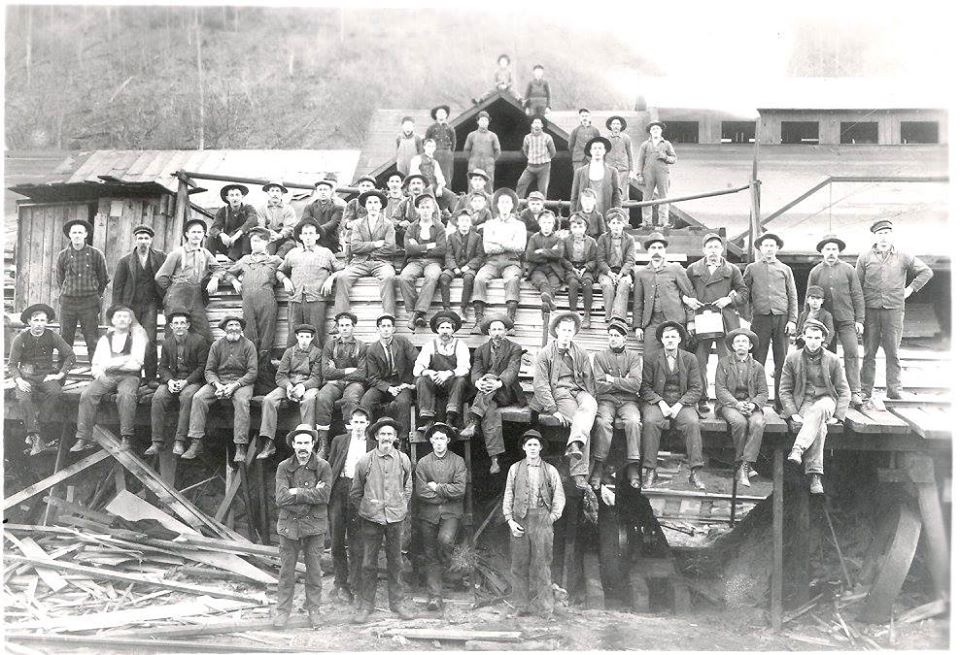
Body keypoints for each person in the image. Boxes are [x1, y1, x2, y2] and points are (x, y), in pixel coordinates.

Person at [855, 220, 933, 406]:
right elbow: (856, 285)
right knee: (869, 353)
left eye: (887, 234)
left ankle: (895, 391)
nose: (883, 237)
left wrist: (910, 289)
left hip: (894, 311)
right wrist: (858, 313)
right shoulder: (865, 257)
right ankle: (865, 390)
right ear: (875, 236)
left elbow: (926, 272)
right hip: (871, 311)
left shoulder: (903, 256)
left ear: (892, 236)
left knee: (893, 352)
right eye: (880, 234)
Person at [350, 417, 415, 623]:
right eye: (383, 434)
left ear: (395, 437)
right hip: (371, 519)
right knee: (368, 563)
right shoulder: (365, 461)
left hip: (395, 519)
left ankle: (397, 603)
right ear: (376, 436)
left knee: (396, 562)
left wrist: (400, 506)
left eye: (390, 434)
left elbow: (408, 487)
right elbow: (355, 492)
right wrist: (368, 508)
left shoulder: (403, 459)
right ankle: (366, 604)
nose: (386, 438)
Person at [780, 319, 851, 494]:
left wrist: (839, 416)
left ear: (823, 339)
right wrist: (792, 413)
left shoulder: (833, 359)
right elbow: (784, 390)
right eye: (810, 337)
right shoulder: (793, 358)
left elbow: (844, 390)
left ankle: (797, 449)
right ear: (803, 337)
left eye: (817, 338)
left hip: (826, 400)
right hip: (804, 402)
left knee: (819, 410)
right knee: (819, 427)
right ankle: (815, 476)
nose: (813, 341)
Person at [273, 424, 332, 630]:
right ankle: (282, 612)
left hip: (315, 527)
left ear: (313, 443)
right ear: (293, 445)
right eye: (299, 443)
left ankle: (314, 611)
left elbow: (324, 496)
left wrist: (295, 492)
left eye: (307, 442)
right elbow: (280, 498)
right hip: (289, 527)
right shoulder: (283, 467)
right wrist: (310, 495)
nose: (303, 447)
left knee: (314, 572)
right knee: (286, 572)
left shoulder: (323, 466)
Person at [502, 429, 564, 619]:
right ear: (523, 447)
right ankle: (522, 606)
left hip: (542, 521)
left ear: (541, 448)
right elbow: (509, 495)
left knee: (542, 565)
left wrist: (552, 517)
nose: (533, 448)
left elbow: (559, 496)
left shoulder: (550, 470)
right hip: (520, 519)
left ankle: (545, 609)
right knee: (519, 565)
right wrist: (510, 521)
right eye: (529, 445)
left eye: (536, 445)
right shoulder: (514, 469)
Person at [531, 312, 597, 490]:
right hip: (560, 392)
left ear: (574, 333)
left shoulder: (580, 352)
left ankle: (574, 444)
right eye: (564, 330)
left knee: (589, 405)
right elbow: (540, 384)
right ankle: (579, 474)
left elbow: (589, 380)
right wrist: (553, 409)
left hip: (579, 390)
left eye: (570, 330)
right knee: (581, 422)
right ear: (557, 331)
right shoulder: (546, 354)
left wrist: (592, 400)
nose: (567, 334)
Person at [685, 233, 747, 417]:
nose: (713, 251)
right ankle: (702, 398)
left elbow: (743, 293)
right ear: (704, 250)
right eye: (709, 247)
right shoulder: (693, 269)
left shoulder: (732, 270)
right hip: (702, 319)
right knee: (699, 361)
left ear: (722, 250)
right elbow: (685, 292)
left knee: (725, 361)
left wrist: (729, 299)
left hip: (724, 321)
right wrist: (690, 307)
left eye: (717, 247)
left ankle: (723, 401)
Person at [72, 305, 147, 452]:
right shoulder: (105, 340)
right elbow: (97, 364)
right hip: (107, 376)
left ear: (130, 320)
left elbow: (136, 364)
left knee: (126, 396)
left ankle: (126, 436)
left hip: (129, 377)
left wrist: (110, 363)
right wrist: (100, 373)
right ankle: (83, 437)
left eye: (126, 316)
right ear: (112, 320)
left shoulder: (136, 338)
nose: (122, 319)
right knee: (87, 395)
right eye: (118, 316)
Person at [639, 322, 705, 490]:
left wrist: (679, 405)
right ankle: (650, 470)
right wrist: (660, 402)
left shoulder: (690, 359)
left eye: (673, 337)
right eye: (667, 337)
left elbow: (697, 388)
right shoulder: (651, 358)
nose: (670, 340)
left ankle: (695, 472)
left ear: (679, 339)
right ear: (661, 339)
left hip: (681, 402)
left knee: (692, 423)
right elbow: (645, 388)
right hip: (657, 401)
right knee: (651, 422)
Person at [184, 316, 258, 461]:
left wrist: (235, 385)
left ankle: (240, 446)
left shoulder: (248, 345)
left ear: (241, 329)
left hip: (241, 383)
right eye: (230, 325)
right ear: (224, 329)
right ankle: (196, 442)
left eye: (237, 325)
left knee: (242, 401)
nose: (234, 328)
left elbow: (252, 372)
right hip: (220, 381)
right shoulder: (216, 345)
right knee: (198, 398)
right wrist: (217, 385)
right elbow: (209, 370)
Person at [461, 314, 525, 474]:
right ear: (489, 332)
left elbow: (512, 370)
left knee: (490, 377)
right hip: (487, 396)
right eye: (494, 329)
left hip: (505, 392)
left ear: (505, 331)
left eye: (500, 329)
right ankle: (494, 460)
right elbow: (476, 372)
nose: (497, 333)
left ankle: (473, 420)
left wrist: (498, 382)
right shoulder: (480, 350)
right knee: (490, 412)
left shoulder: (514, 348)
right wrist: (477, 382)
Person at [8, 303, 76, 455]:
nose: (39, 324)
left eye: (42, 321)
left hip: (46, 375)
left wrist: (59, 374)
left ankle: (38, 427)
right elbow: (12, 365)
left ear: (47, 322)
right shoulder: (21, 338)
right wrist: (19, 380)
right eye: (36, 320)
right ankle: (35, 436)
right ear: (29, 321)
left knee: (56, 392)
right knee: (24, 398)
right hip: (26, 377)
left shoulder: (52, 336)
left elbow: (70, 356)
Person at [807, 234, 865, 409]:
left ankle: (855, 391)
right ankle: (828, 390)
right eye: (827, 250)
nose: (831, 253)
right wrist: (808, 321)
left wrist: (860, 319)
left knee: (852, 352)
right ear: (822, 252)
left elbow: (857, 295)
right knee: (827, 356)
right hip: (825, 322)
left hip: (846, 319)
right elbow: (809, 297)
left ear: (838, 251)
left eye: (834, 249)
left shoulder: (848, 270)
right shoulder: (816, 271)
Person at [414, 422, 467, 611]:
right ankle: (435, 597)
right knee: (430, 554)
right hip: (428, 514)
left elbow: (460, 489)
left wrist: (437, 487)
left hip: (451, 513)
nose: (438, 442)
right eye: (435, 439)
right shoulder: (423, 462)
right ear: (430, 440)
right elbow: (421, 491)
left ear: (448, 440)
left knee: (444, 541)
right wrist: (444, 496)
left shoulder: (458, 461)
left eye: (442, 439)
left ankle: (452, 575)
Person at [743, 232, 797, 408]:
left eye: (772, 245)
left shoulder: (785, 269)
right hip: (760, 319)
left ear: (777, 248)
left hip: (782, 320)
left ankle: (781, 403)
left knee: (781, 361)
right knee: (758, 360)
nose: (769, 248)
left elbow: (793, 296)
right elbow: (744, 293)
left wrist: (793, 320)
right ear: (760, 248)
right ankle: (756, 401)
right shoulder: (752, 268)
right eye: (765, 245)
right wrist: (745, 316)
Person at [155, 217, 230, 343]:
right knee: (174, 333)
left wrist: (215, 279)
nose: (196, 235)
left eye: (200, 232)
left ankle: (205, 363)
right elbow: (160, 277)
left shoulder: (205, 253)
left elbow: (219, 269)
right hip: (177, 297)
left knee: (205, 334)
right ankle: (172, 363)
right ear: (187, 234)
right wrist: (172, 289)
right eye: (193, 232)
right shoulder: (177, 253)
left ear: (203, 235)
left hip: (196, 296)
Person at [327, 407, 374, 606]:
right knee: (337, 540)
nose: (358, 426)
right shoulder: (339, 441)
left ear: (368, 424)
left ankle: (356, 584)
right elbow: (330, 465)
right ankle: (341, 583)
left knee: (357, 541)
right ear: (350, 423)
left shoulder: (373, 444)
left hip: (360, 492)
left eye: (362, 422)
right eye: (355, 421)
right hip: (340, 489)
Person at [327, 189, 398, 317]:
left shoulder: (388, 224)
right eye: (369, 202)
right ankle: (342, 317)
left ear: (381, 205)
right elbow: (355, 247)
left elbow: (390, 248)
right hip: (360, 262)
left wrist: (367, 248)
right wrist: (375, 244)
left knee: (388, 277)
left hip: (382, 262)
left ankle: (389, 316)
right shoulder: (358, 224)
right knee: (342, 277)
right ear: (365, 205)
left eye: (376, 202)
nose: (373, 206)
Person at [256, 324, 323, 460]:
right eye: (302, 337)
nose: (304, 340)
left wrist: (303, 387)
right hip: (289, 384)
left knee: (309, 400)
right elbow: (280, 375)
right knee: (268, 399)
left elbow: (317, 378)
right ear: (297, 337)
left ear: (312, 338)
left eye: (307, 337)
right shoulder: (289, 352)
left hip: (308, 385)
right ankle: (269, 442)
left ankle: (309, 443)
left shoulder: (317, 353)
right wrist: (287, 386)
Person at [148, 309, 209, 456]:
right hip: (173, 379)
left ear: (188, 325)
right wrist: (169, 381)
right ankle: (157, 442)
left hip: (192, 380)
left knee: (187, 397)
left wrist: (186, 382)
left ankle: (179, 441)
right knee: (158, 397)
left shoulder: (199, 341)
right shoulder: (167, 343)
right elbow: (162, 367)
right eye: (176, 323)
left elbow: (202, 367)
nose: (179, 326)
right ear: (171, 326)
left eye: (182, 323)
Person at [591, 318, 643, 489]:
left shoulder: (634, 357)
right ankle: (598, 466)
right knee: (602, 422)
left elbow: (636, 384)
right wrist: (623, 382)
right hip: (606, 400)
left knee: (634, 422)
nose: (612, 338)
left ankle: (633, 466)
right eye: (610, 335)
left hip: (628, 401)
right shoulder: (600, 357)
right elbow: (599, 385)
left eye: (616, 335)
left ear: (624, 339)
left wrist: (611, 379)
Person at [112, 224, 166, 382]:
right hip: (131, 306)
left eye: (146, 238)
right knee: (132, 340)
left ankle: (150, 377)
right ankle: (133, 376)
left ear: (151, 240)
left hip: (151, 304)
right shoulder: (125, 261)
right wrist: (117, 310)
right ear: (135, 240)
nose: (143, 241)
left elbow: (167, 277)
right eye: (140, 238)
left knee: (150, 340)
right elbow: (117, 287)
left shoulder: (160, 257)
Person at [715, 328, 768, 488]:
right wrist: (737, 404)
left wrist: (752, 404)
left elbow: (764, 392)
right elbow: (720, 389)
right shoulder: (723, 363)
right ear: (732, 345)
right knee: (739, 423)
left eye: (744, 341)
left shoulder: (757, 366)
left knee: (758, 423)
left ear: (750, 346)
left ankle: (744, 466)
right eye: (737, 341)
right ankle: (743, 465)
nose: (741, 345)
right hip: (730, 404)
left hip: (750, 404)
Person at [632, 232, 696, 358]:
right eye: (653, 248)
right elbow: (638, 302)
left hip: (675, 320)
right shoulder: (641, 274)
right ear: (648, 251)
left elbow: (689, 295)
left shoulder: (675, 269)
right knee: (649, 359)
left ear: (665, 250)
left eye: (660, 248)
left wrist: (691, 321)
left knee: (677, 359)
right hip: (652, 323)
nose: (657, 251)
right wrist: (637, 326)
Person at [279, 219, 342, 348]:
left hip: (316, 300)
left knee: (316, 335)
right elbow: (279, 271)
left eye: (311, 233)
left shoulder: (326, 253)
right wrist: (285, 280)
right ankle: (293, 366)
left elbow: (342, 270)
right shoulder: (292, 253)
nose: (308, 237)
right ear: (300, 236)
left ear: (317, 236)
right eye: (305, 234)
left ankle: (316, 366)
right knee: (293, 336)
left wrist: (331, 279)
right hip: (295, 300)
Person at [472, 187, 526, 331]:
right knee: (479, 279)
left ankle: (510, 322)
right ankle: (478, 321)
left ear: (512, 205)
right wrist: (508, 243)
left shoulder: (519, 225)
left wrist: (499, 241)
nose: (504, 205)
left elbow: (520, 247)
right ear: (496, 205)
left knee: (512, 279)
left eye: (507, 202)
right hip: (492, 262)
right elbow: (488, 248)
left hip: (511, 262)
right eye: (501, 202)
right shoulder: (490, 224)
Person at [225, 227, 285, 354]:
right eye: (252, 241)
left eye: (258, 241)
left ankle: (264, 370)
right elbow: (228, 273)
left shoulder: (275, 260)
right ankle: (252, 368)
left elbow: (287, 269)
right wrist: (234, 280)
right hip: (248, 302)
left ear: (266, 242)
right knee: (249, 334)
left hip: (267, 302)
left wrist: (284, 279)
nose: (254, 244)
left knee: (266, 336)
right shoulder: (245, 260)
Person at [360, 314, 418, 444]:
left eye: (389, 326)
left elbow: (418, 361)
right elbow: (372, 378)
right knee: (366, 402)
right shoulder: (372, 350)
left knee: (403, 402)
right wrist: (388, 388)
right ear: (378, 329)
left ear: (393, 329)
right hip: (382, 384)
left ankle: (402, 440)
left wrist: (411, 384)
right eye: (383, 326)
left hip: (402, 383)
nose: (386, 329)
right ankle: (369, 440)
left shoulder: (403, 342)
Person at [315, 311, 368, 454]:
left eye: (348, 325)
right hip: (334, 383)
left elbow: (362, 373)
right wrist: (348, 370)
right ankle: (323, 445)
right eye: (341, 325)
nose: (344, 328)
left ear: (353, 327)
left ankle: (350, 442)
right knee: (322, 397)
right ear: (337, 328)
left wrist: (337, 372)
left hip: (353, 384)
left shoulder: (361, 346)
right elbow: (325, 372)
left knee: (351, 399)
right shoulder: (329, 346)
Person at [56, 218, 109, 357]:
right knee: (65, 341)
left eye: (80, 232)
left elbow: (103, 279)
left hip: (89, 303)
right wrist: (69, 292)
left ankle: (95, 375)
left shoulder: (96, 254)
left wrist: (95, 296)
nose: (77, 235)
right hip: (68, 303)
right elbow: (60, 279)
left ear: (86, 234)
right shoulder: (63, 255)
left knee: (92, 341)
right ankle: (61, 377)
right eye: (74, 232)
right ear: (69, 235)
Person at [414, 311, 470, 431]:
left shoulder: (460, 345)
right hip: (435, 383)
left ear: (453, 330)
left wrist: (448, 374)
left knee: (460, 380)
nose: (445, 331)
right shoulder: (430, 345)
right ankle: (428, 421)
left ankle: (450, 420)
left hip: (452, 384)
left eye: (448, 328)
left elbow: (465, 368)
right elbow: (417, 368)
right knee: (421, 380)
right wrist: (429, 372)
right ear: (437, 330)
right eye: (442, 327)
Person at [399, 193, 447, 330]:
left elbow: (442, 249)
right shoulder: (412, 227)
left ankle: (415, 315)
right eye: (422, 207)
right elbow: (409, 249)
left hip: (434, 261)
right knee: (404, 277)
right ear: (418, 210)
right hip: (415, 261)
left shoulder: (439, 227)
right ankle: (415, 314)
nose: (425, 210)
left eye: (428, 207)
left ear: (433, 209)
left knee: (432, 276)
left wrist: (418, 247)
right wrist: (430, 246)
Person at [439, 210, 484, 317]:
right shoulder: (451, 236)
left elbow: (479, 256)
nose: (464, 223)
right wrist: (454, 268)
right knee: (444, 277)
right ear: (458, 223)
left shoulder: (477, 237)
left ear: (471, 223)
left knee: (469, 278)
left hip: (469, 267)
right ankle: (446, 308)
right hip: (454, 266)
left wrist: (468, 266)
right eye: (462, 221)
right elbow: (449, 255)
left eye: (467, 221)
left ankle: (463, 309)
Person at [635, 121, 677, 227]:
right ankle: (646, 221)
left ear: (661, 131)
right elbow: (640, 160)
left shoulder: (666, 144)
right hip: (648, 173)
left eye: (657, 129)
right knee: (646, 197)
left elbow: (674, 159)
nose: (655, 131)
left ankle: (663, 221)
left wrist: (666, 157)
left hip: (662, 173)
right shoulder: (645, 145)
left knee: (664, 197)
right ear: (650, 131)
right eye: (653, 129)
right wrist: (639, 175)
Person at [560, 215, 599, 328]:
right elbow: (562, 258)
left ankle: (587, 315)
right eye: (575, 227)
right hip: (570, 268)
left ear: (585, 228)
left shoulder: (591, 242)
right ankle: (573, 313)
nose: (578, 229)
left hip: (585, 268)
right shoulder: (565, 240)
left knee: (587, 283)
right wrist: (572, 268)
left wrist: (585, 268)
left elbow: (594, 259)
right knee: (573, 283)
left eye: (580, 226)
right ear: (571, 228)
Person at [596, 209, 635, 322]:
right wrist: (609, 273)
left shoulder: (629, 239)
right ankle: (609, 317)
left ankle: (619, 318)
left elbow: (630, 260)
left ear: (623, 224)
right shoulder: (603, 238)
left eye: (619, 223)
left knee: (625, 283)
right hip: (606, 271)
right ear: (609, 225)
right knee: (607, 285)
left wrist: (622, 273)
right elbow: (600, 259)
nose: (616, 226)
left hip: (623, 271)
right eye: (613, 223)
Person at [571, 136, 621, 220]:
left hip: (606, 214)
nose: (597, 151)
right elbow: (574, 196)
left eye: (600, 148)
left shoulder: (613, 171)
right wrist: (573, 216)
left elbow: (617, 195)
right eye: (594, 148)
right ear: (590, 151)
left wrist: (616, 215)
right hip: (584, 217)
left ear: (604, 151)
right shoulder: (580, 172)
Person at [524, 210, 564, 314]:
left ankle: (546, 304)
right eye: (544, 223)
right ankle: (548, 303)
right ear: (540, 223)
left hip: (553, 269)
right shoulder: (534, 238)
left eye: (549, 223)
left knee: (554, 284)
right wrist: (550, 254)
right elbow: (529, 256)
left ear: (553, 224)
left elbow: (559, 254)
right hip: (537, 269)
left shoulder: (557, 239)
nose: (547, 226)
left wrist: (541, 251)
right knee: (542, 282)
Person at [208, 183, 258, 261]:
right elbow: (214, 228)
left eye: (237, 195)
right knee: (211, 239)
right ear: (227, 198)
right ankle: (210, 264)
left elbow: (253, 220)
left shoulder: (248, 208)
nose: (235, 198)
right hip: (229, 243)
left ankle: (245, 262)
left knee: (247, 236)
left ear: (242, 196)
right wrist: (221, 234)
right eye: (232, 195)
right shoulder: (222, 211)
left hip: (244, 246)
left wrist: (238, 233)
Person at [301, 174, 345, 253]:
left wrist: (315, 231)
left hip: (330, 240)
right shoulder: (310, 206)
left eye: (325, 190)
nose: (323, 192)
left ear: (331, 191)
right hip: (312, 238)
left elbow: (333, 224)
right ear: (317, 191)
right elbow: (305, 221)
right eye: (320, 190)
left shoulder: (338, 207)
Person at [516, 118, 556, 199]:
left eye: (539, 123)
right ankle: (518, 208)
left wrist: (545, 159)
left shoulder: (547, 137)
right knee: (521, 184)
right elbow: (525, 150)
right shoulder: (527, 138)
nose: (537, 125)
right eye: (535, 123)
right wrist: (532, 158)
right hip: (531, 167)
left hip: (544, 167)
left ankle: (542, 209)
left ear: (542, 126)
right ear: (532, 126)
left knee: (543, 190)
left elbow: (553, 152)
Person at [256, 180, 298, 258]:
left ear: (282, 193)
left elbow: (289, 227)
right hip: (268, 236)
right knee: (265, 253)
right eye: (272, 191)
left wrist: (280, 235)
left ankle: (278, 260)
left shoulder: (289, 209)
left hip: (284, 237)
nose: (275, 194)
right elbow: (260, 226)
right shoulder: (261, 209)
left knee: (289, 245)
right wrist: (268, 234)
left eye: (277, 191)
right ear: (268, 192)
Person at [463, 111, 501, 192]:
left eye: (485, 120)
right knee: (472, 184)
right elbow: (466, 150)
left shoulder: (493, 136)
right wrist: (471, 160)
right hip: (474, 163)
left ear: (488, 122)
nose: (483, 122)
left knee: (488, 185)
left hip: (488, 164)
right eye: (481, 120)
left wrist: (491, 160)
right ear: (478, 122)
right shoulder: (471, 135)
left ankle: (489, 203)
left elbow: (497, 151)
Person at [425, 105, 456, 187]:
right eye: (439, 113)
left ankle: (447, 195)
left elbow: (454, 142)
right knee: (433, 175)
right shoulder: (431, 128)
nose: (441, 115)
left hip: (447, 154)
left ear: (446, 115)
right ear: (436, 115)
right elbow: (426, 141)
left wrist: (450, 153)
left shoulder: (450, 129)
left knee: (447, 176)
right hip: (434, 154)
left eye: (443, 113)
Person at [606, 115, 634, 193]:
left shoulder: (626, 138)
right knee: (610, 192)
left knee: (623, 194)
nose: (616, 126)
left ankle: (624, 205)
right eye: (614, 124)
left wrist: (631, 171)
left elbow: (630, 156)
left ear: (621, 126)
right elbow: (603, 155)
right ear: (610, 126)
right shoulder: (606, 138)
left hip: (623, 170)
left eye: (618, 124)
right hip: (610, 170)